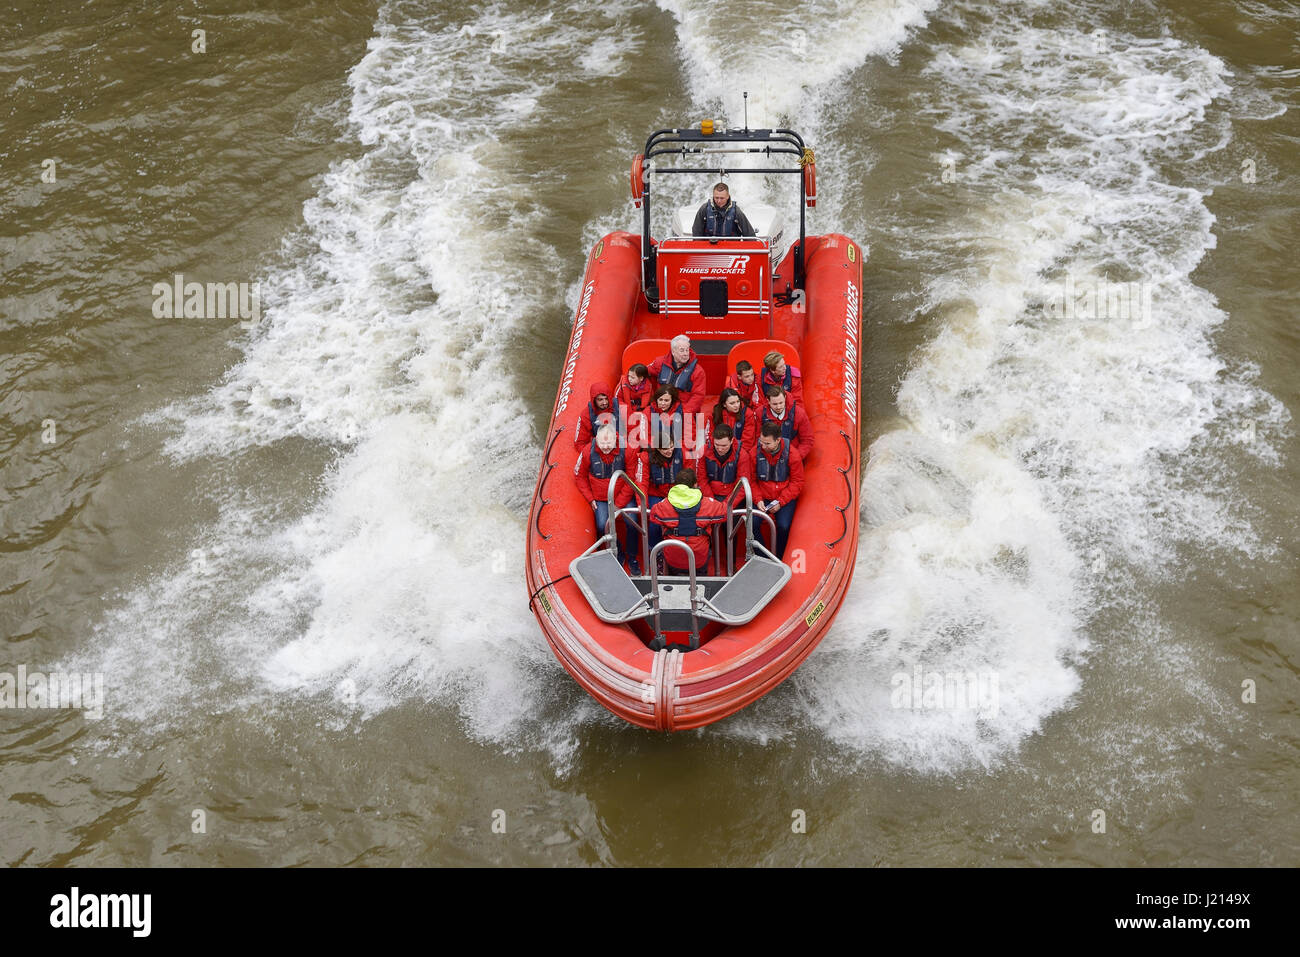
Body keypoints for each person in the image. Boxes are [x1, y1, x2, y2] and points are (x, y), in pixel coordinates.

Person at [574, 424, 639, 573]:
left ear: (615, 440)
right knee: (602, 525)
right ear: (596, 440)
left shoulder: (628, 450)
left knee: (633, 523)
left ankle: (632, 556)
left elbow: (632, 479)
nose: (605, 447)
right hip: (601, 498)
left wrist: (619, 503)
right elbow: (579, 476)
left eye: (609, 443)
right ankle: (618, 552)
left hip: (623, 494)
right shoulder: (587, 452)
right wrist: (590, 499)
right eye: (602, 444)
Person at [649, 468, 729, 575]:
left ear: (676, 485)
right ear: (695, 485)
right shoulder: (709, 504)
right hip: (699, 559)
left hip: (673, 559)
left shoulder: (663, 506)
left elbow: (653, 517)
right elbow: (725, 513)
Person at [745, 421, 804, 560]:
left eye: (767, 443)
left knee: (784, 526)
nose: (763, 446)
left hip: (783, 497)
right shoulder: (755, 453)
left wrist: (781, 501)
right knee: (751, 524)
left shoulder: (792, 455)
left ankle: (781, 557)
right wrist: (758, 499)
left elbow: (797, 482)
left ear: (778, 440)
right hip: (762, 496)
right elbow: (751, 480)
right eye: (761, 442)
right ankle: (763, 557)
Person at [630, 431, 695, 554]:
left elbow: (690, 476)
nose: (669, 450)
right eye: (665, 449)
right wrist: (641, 503)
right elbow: (641, 481)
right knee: (655, 520)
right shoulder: (646, 457)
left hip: (678, 493)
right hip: (656, 494)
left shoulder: (683, 453)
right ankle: (655, 553)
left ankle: (678, 553)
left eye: (671, 446)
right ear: (657, 449)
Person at [747, 384, 813, 460]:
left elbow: (807, 440)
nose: (778, 407)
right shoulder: (760, 413)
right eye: (775, 404)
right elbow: (757, 438)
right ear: (768, 401)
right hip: (767, 454)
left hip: (791, 454)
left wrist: (796, 457)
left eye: (781, 403)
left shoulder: (798, 413)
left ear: (785, 398)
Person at [647, 335, 707, 415]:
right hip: (661, 408)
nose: (686, 354)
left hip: (683, 410)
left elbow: (698, 396)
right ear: (673, 352)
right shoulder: (659, 363)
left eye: (687, 350)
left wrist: (682, 413)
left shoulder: (698, 371)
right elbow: (642, 373)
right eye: (682, 350)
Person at [692, 182, 757, 239]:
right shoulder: (704, 209)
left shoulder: (737, 212)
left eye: (722, 198)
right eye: (716, 197)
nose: (719, 201)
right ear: (713, 196)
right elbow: (696, 232)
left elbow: (749, 234)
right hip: (709, 247)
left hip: (730, 249)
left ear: (728, 196)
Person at [700, 423, 745, 502]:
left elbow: (742, 485)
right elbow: (702, 479)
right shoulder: (704, 451)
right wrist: (712, 501)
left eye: (724, 446)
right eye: (717, 445)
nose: (720, 449)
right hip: (709, 495)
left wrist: (727, 504)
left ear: (731, 441)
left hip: (732, 497)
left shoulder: (742, 455)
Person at [573, 381, 622, 451]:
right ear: (594, 400)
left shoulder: (620, 406)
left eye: (606, 398)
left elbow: (631, 430)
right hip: (602, 449)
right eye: (600, 400)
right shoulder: (586, 415)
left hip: (620, 447)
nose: (604, 402)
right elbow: (580, 443)